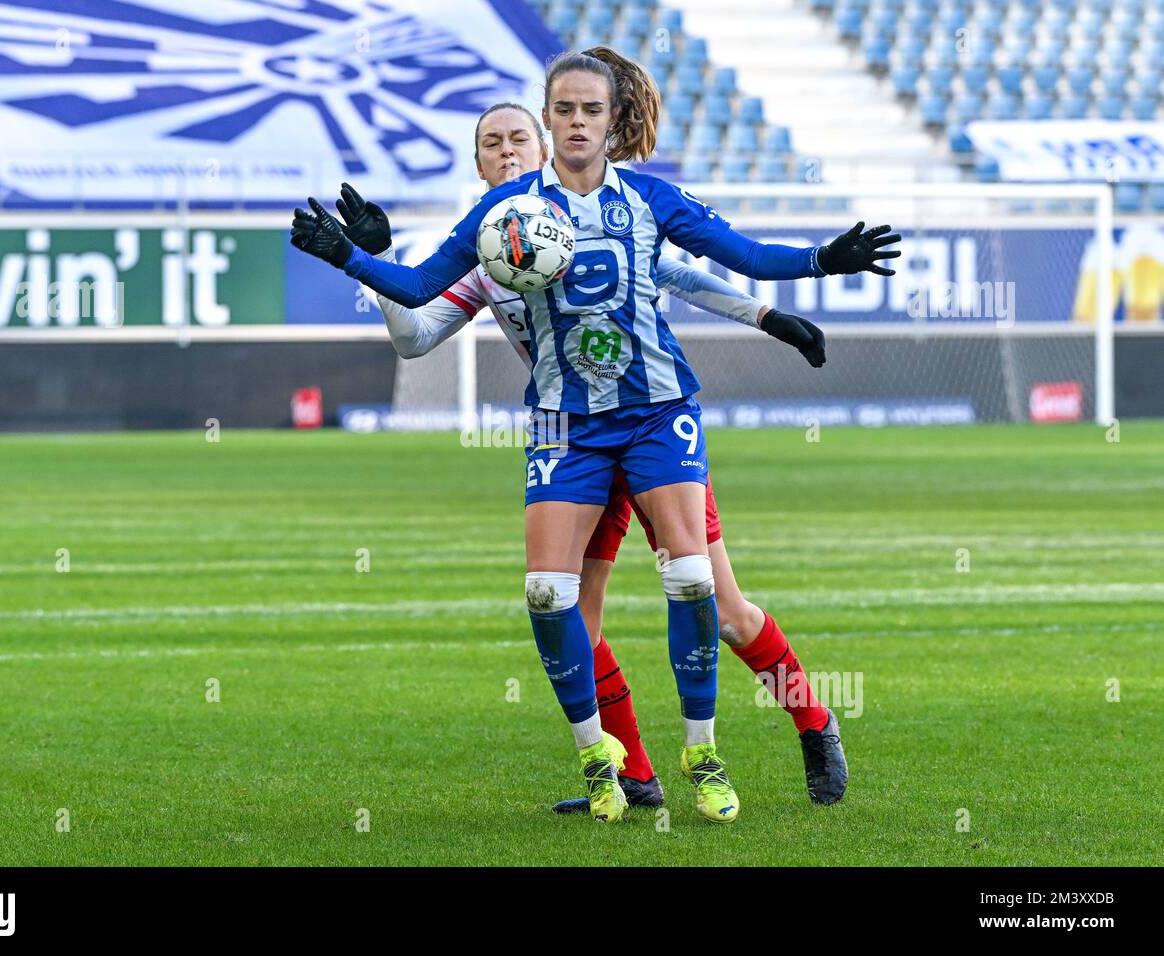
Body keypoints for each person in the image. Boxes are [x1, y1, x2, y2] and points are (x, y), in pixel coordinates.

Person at [291, 47, 899, 823]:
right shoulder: (488, 253)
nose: (509, 150)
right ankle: (634, 774)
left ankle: (813, 721)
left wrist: (778, 306)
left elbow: (691, 273)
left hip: (650, 417)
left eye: (519, 139)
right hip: (565, 428)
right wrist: (366, 257)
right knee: (569, 615)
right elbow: (415, 332)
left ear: (551, 142)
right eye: (492, 144)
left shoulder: (621, 212)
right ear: (482, 165)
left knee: (727, 607)